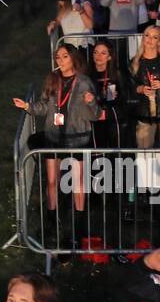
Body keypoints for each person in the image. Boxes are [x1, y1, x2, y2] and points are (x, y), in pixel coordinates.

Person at [12, 43, 99, 216]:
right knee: (52, 181)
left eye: (65, 56)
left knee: (78, 182)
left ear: (73, 58)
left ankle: (79, 222)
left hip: (77, 138)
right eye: (58, 57)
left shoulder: (84, 82)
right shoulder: (52, 79)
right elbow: (44, 107)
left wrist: (91, 102)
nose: (60, 60)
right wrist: (27, 106)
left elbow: (94, 115)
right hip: (54, 137)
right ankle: (52, 218)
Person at [128, 25, 160, 150]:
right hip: (144, 113)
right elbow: (129, 86)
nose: (150, 39)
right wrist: (141, 89)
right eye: (147, 35)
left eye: (154, 37)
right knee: (144, 152)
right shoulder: (134, 62)